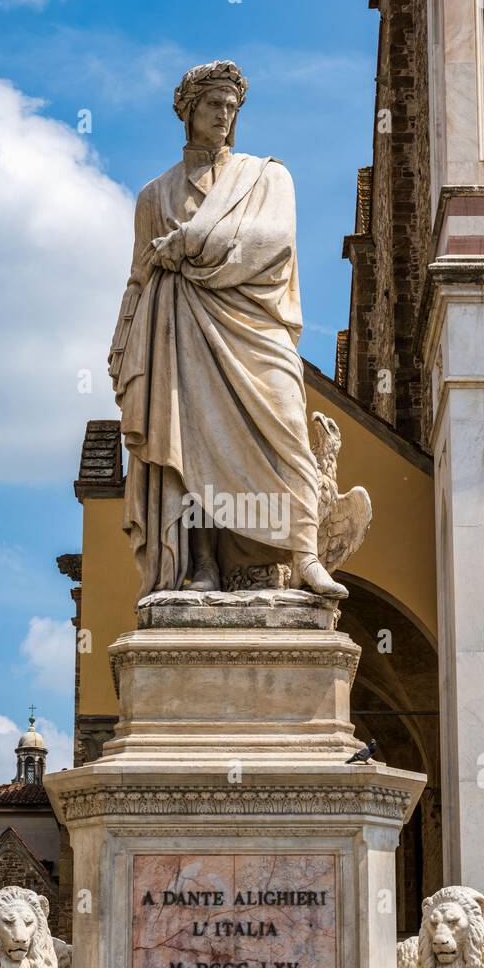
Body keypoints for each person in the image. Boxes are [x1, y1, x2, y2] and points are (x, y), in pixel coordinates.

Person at [108, 59, 346, 600]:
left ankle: (303, 552)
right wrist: (124, 345)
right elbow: (138, 277)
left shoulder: (266, 176)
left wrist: (189, 242)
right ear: (188, 113)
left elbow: (274, 240)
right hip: (180, 332)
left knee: (287, 426)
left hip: (254, 328)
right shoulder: (154, 196)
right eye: (213, 105)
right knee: (189, 444)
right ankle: (203, 565)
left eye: (231, 107)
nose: (224, 115)